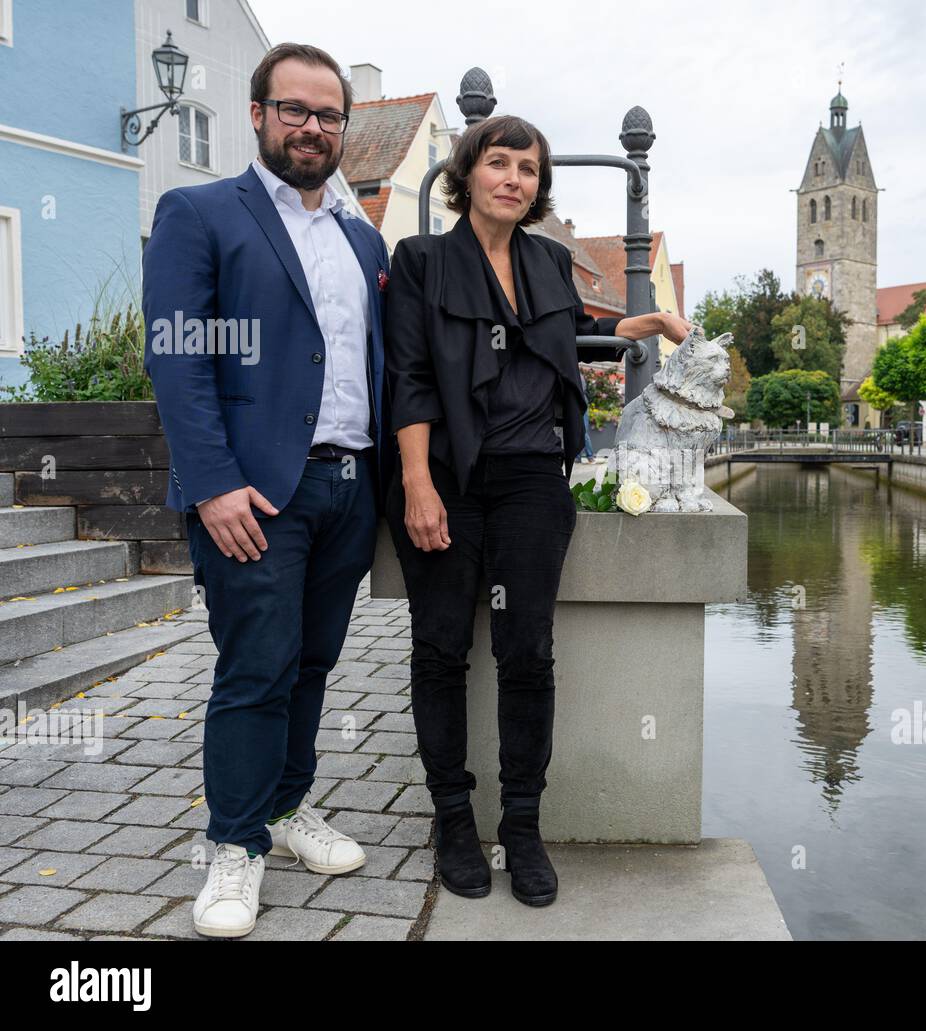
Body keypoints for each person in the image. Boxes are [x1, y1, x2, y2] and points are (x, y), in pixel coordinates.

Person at [383, 114, 691, 907]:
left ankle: (521, 826)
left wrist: (643, 323)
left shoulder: (550, 261)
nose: (515, 177)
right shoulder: (420, 261)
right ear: (468, 173)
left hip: (529, 480)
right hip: (447, 475)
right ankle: (454, 818)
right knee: (440, 649)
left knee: (528, 652)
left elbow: (570, 333)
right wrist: (417, 482)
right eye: (499, 162)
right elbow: (411, 376)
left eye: (528, 167)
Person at [143, 43, 392, 938]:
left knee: (313, 664)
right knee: (255, 669)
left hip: (350, 488)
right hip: (252, 496)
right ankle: (233, 845)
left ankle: (286, 811)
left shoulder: (363, 236)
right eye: (295, 110)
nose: (313, 127)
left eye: (328, 115)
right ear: (257, 114)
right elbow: (176, 358)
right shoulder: (201, 212)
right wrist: (213, 485)